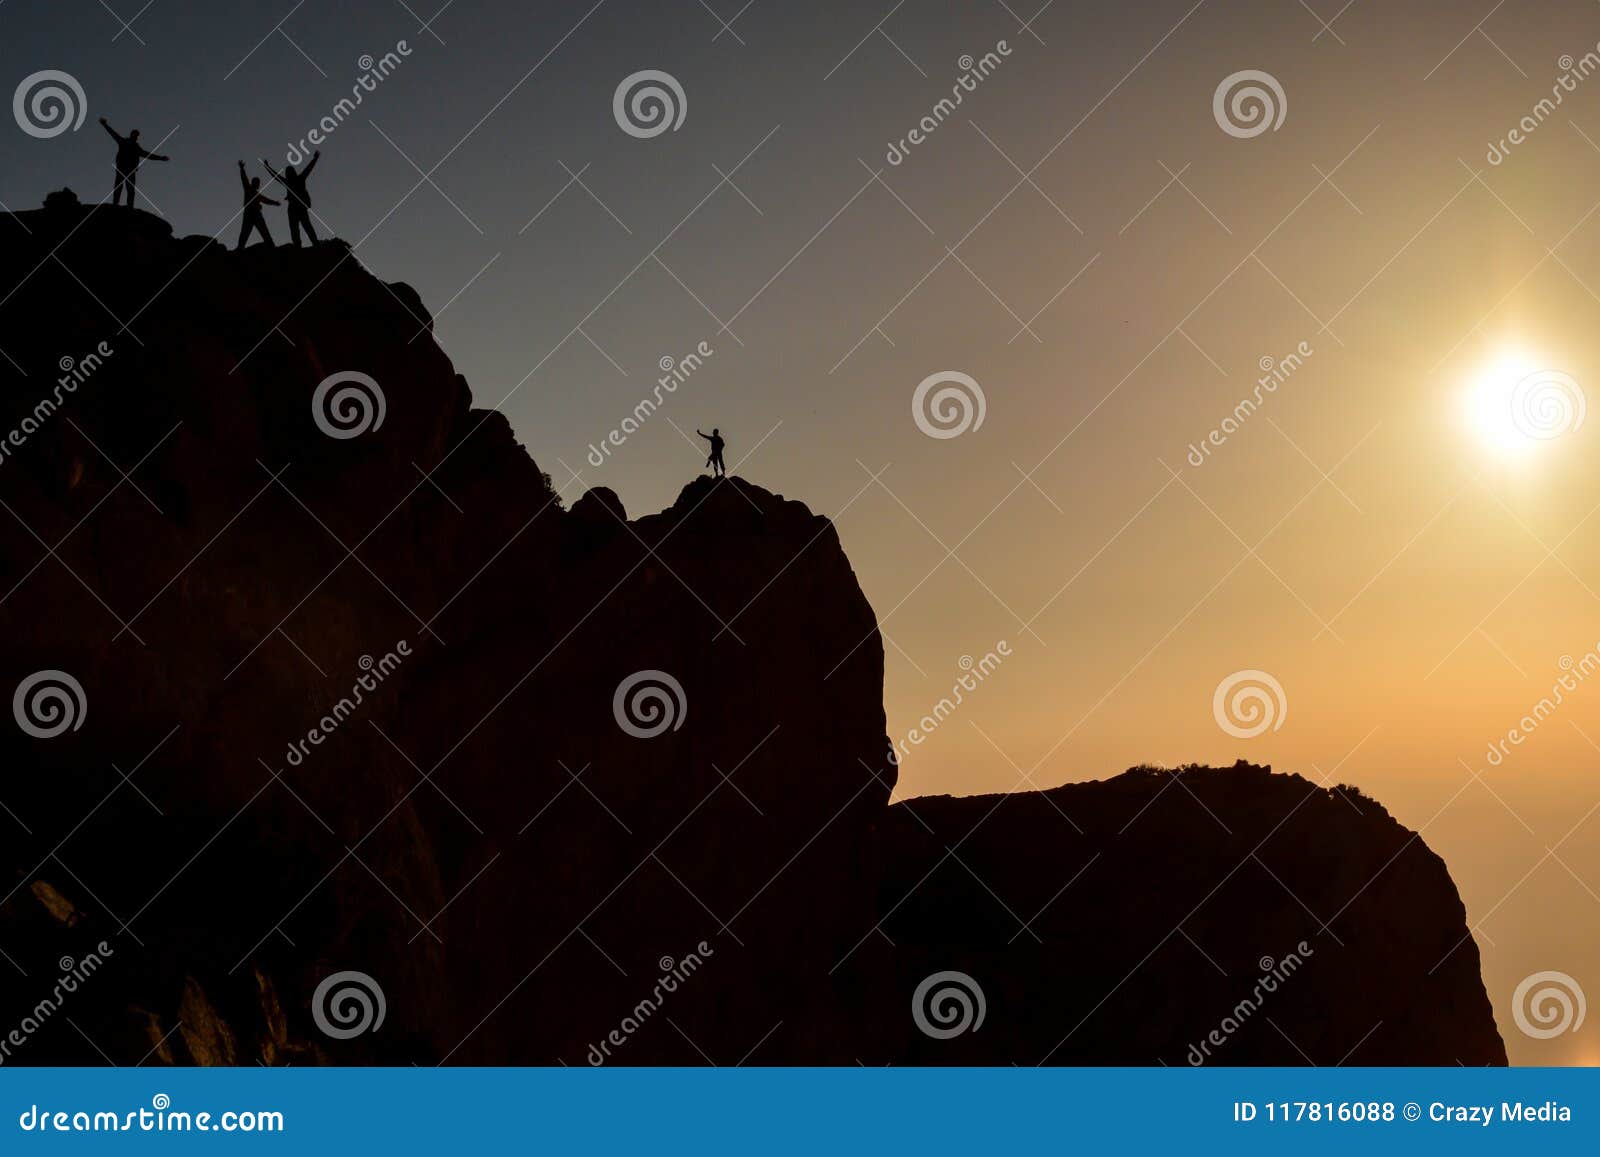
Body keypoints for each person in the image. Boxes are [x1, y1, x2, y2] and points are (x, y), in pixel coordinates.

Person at [99, 117, 168, 208]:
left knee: (130, 189)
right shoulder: (124, 142)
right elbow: (113, 134)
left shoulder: (136, 147)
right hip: (122, 167)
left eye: (137, 135)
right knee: (119, 187)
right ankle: (116, 204)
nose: (136, 137)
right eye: (135, 135)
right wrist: (105, 125)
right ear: (132, 135)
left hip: (129, 169)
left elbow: (147, 155)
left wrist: (160, 158)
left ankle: (129, 206)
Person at [262, 151, 320, 247]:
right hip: (293, 208)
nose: (288, 174)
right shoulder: (289, 181)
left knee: (305, 226)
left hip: (300, 207)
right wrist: (267, 167)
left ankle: (313, 243)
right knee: (296, 228)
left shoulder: (299, 179)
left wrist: (315, 159)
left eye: (289, 172)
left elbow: (308, 168)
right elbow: (275, 176)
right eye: (287, 172)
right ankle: (299, 245)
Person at [236, 161, 280, 250]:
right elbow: (244, 179)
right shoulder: (248, 189)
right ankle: (240, 247)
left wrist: (275, 203)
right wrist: (242, 169)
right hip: (250, 213)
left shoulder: (257, 194)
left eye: (258, 182)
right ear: (253, 183)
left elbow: (266, 200)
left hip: (255, 213)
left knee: (262, 231)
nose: (257, 184)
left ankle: (270, 245)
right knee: (246, 231)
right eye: (256, 182)